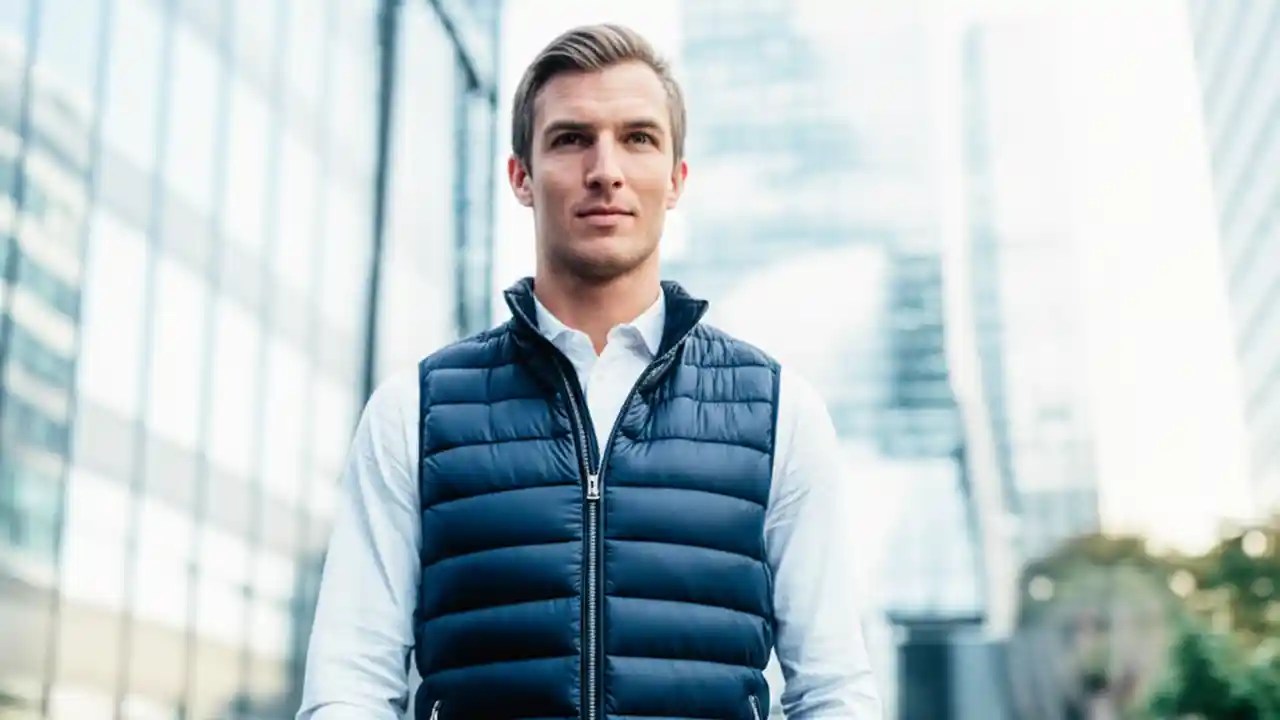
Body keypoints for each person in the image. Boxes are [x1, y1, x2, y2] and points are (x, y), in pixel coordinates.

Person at [297, 23, 882, 720]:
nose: (605, 169)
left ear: (675, 180)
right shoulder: (414, 413)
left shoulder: (779, 412)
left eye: (638, 138)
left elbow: (835, 691)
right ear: (520, 176)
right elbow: (348, 689)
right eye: (571, 138)